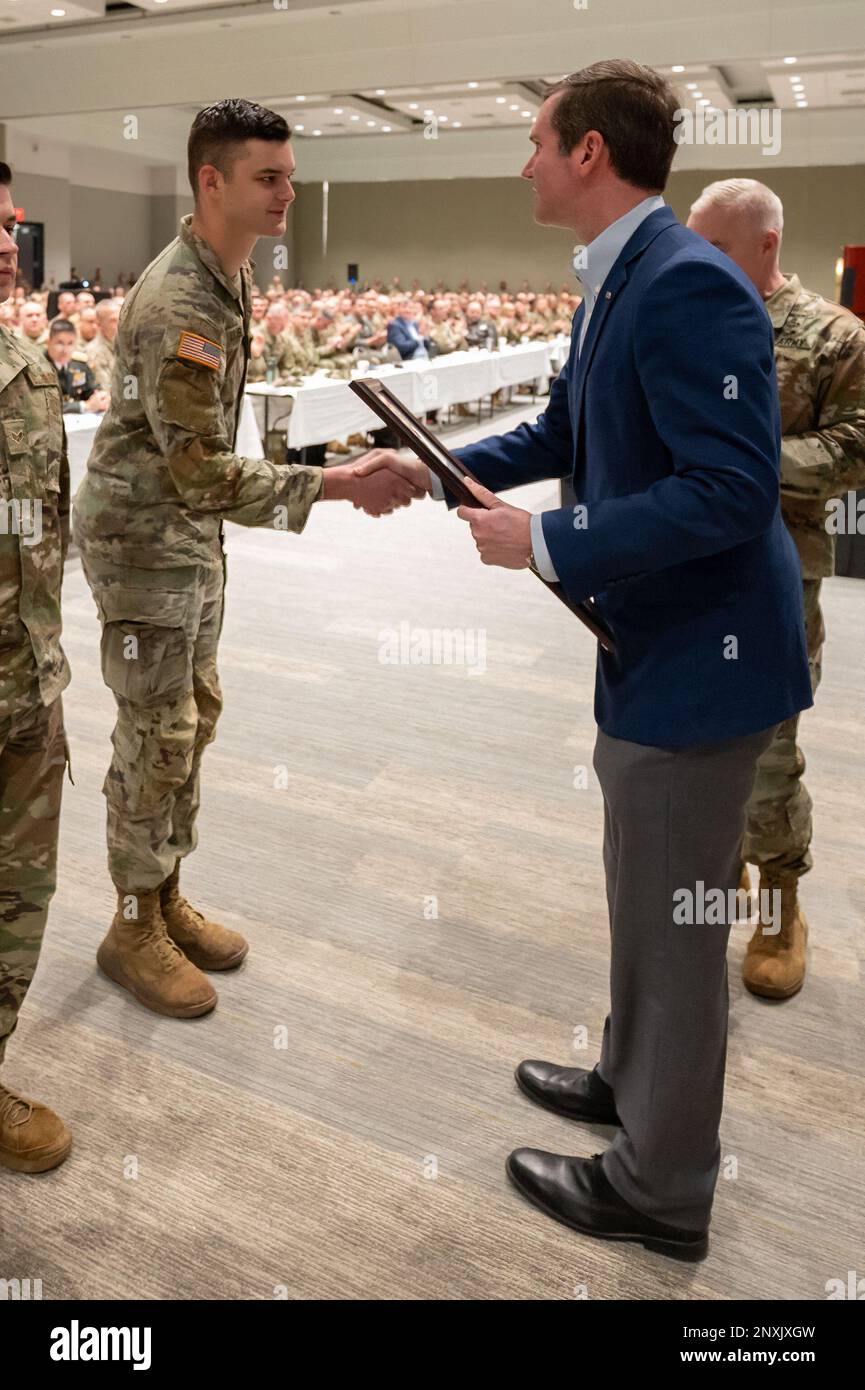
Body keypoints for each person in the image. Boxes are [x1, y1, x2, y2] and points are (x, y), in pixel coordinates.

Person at [355, 59, 811, 1261]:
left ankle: (659, 1187)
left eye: (536, 142)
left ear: (589, 155)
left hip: (703, 656)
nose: (525, 163)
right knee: (642, 887)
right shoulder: (624, 277)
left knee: (675, 916)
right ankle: (630, 1076)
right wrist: (448, 467)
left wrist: (548, 538)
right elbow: (569, 427)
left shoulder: (686, 285)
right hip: (658, 641)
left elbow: (732, 489)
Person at [73, 99, 421, 1024]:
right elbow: (195, 469)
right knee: (156, 736)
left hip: (186, 539)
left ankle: (162, 893)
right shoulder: (181, 300)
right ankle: (128, 924)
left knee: (194, 718)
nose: (287, 194)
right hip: (146, 541)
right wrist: (339, 483)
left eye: (290, 176)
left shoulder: (227, 277)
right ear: (209, 182)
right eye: (268, 177)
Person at [687, 178, 865, 999]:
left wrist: (751, 472)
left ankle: (781, 906)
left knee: (766, 752)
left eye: (714, 246)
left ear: (766, 244)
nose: (697, 260)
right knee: (690, 745)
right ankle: (710, 895)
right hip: (685, 568)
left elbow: (858, 445)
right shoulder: (689, 319)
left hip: (775, 572)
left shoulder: (833, 337)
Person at [0, 162, 73, 1173]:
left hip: (25, 685)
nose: (7, 242)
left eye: (8, 223)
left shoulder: (26, 366)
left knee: (18, 894)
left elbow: (45, 526)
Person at [44, 319, 110, 413]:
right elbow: (44, 407)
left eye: (70, 343)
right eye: (60, 343)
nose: (65, 350)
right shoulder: (38, 368)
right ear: (48, 342)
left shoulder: (79, 365)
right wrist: (84, 406)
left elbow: (92, 390)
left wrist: (101, 398)